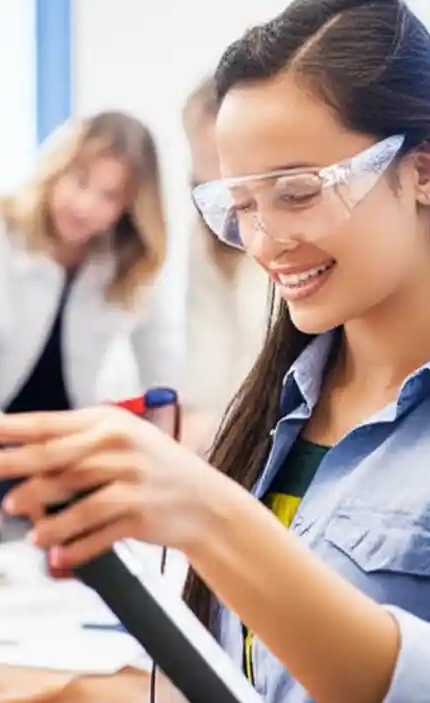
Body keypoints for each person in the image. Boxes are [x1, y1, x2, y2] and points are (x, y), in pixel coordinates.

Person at [0, 1, 430, 703]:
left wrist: (212, 516)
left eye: (298, 193)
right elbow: (261, 689)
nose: (264, 242)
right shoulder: (282, 405)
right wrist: (88, 701)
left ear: (426, 171)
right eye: (242, 206)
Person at [0, 110, 179, 548]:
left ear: (130, 206)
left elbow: (164, 379)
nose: (85, 206)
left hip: (66, 466)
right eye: (79, 181)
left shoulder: (131, 260)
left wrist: (161, 478)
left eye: (110, 196)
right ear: (54, 169)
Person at [180, 75, 271, 452]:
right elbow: (208, 349)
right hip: (232, 428)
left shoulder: (287, 228)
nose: (220, 180)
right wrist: (199, 423)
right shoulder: (205, 235)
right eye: (206, 161)